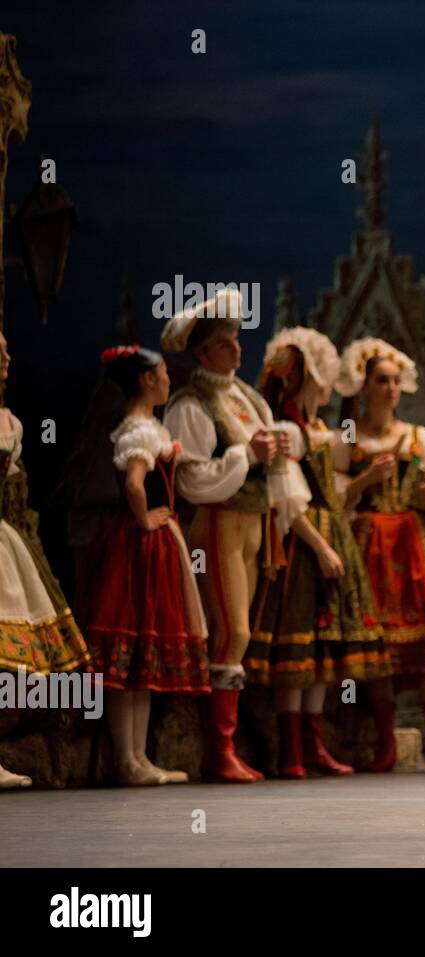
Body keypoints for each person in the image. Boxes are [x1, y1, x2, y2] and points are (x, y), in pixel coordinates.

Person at [246, 328, 388, 777]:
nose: (328, 384)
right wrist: (323, 547)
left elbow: (336, 471)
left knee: (323, 654)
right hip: (303, 544)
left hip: (329, 534)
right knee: (298, 652)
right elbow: (287, 501)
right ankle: (291, 751)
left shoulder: (317, 429)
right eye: (321, 376)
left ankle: (312, 745)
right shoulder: (289, 432)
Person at [334, 338, 425, 773]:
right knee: (381, 648)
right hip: (370, 544)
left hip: (415, 543)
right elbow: (331, 497)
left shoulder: (417, 437)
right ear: (363, 386)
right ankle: (386, 745)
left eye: (395, 381)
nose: (391, 389)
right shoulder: (348, 440)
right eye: (382, 381)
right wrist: (366, 480)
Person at [161, 289, 281, 783]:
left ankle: (227, 746)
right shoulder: (191, 403)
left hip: (253, 521)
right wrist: (248, 456)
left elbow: (264, 451)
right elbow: (193, 479)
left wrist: (276, 451)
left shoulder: (245, 396)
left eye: (236, 339)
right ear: (202, 352)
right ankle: (219, 750)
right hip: (217, 522)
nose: (237, 349)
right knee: (232, 632)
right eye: (226, 342)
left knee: (239, 633)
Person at [77, 345, 210, 786]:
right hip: (140, 546)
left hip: (152, 544)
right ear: (146, 380)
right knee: (133, 649)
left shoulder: (148, 427)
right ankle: (128, 759)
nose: (169, 379)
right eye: (164, 373)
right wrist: (145, 518)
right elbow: (136, 484)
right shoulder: (138, 429)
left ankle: (137, 757)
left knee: (142, 660)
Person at [0, 330, 92, 789]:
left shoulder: (10, 421)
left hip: (7, 543)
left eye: (7, 348)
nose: (6, 357)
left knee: (12, 661)